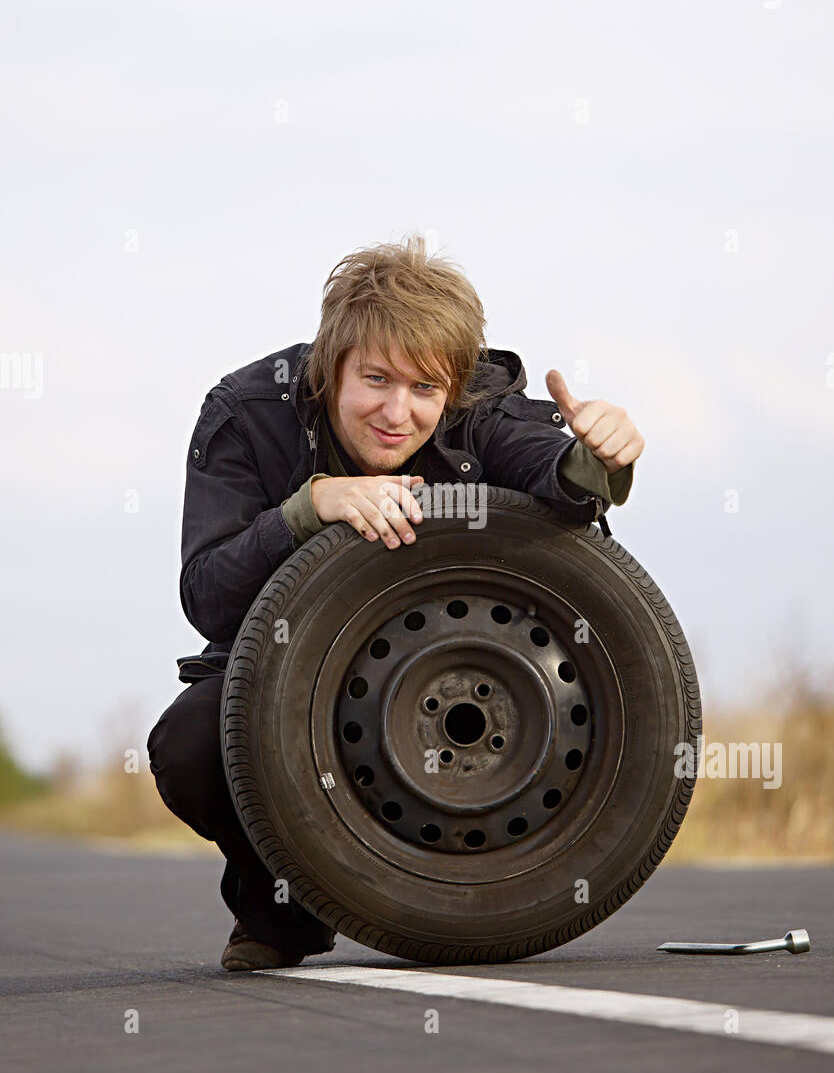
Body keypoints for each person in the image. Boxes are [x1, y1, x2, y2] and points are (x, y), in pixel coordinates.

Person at [146, 235, 645, 971]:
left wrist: (598, 459)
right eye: (376, 379)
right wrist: (306, 510)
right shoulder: (246, 414)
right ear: (330, 366)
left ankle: (468, 901)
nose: (397, 412)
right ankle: (283, 908)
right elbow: (208, 596)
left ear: (454, 389)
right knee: (190, 745)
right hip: (288, 679)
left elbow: (560, 483)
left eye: (424, 389)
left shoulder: (480, 409)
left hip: (471, 666)